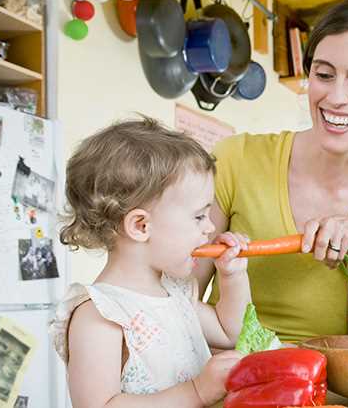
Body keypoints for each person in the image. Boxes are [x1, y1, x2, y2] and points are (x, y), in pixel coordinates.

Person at [195, 0, 348, 342]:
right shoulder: (236, 159)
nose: (335, 97)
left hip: (337, 391)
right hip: (233, 382)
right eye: (323, 74)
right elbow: (180, 295)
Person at [50, 118, 251, 407]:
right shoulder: (101, 315)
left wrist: (232, 277)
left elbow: (229, 332)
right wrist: (195, 392)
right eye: (198, 216)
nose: (210, 228)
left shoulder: (177, 294)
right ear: (141, 226)